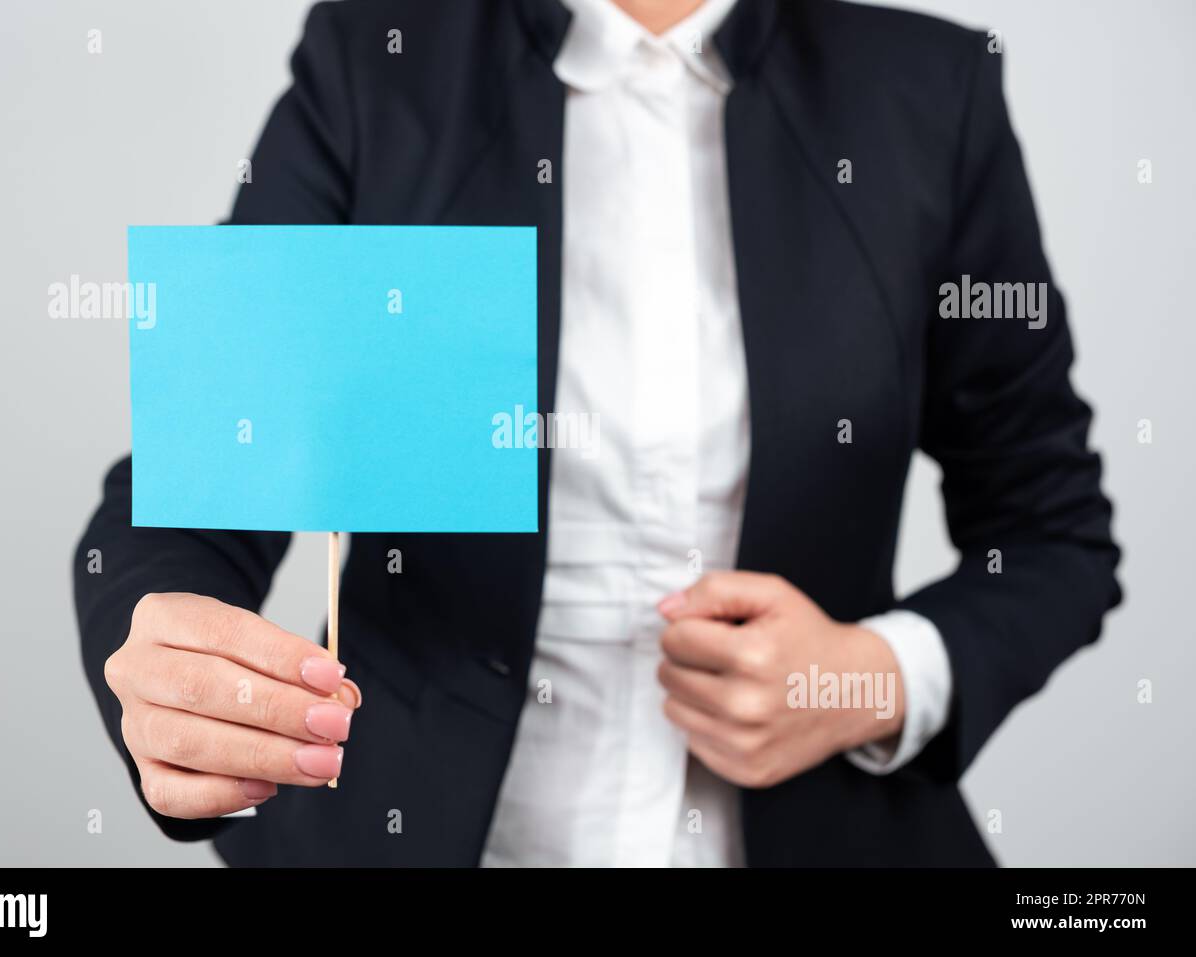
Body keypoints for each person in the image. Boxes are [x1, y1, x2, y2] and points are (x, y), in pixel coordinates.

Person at [75, 0, 1121, 866]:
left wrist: (871, 679)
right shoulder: (377, 59)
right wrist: (168, 658)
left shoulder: (926, 91)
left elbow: (1050, 533)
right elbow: (196, 480)